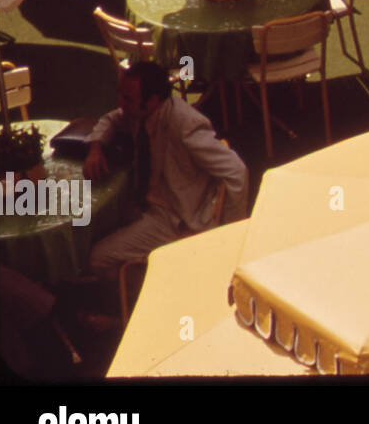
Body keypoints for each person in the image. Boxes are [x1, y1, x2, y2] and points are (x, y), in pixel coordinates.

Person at [82, 61, 248, 280]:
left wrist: (229, 237)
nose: (120, 104)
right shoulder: (139, 112)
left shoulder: (185, 124)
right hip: (148, 206)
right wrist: (95, 148)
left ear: (152, 101)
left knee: (97, 259)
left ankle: (151, 289)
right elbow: (110, 119)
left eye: (127, 99)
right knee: (96, 228)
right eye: (120, 95)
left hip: (175, 221)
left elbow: (237, 171)